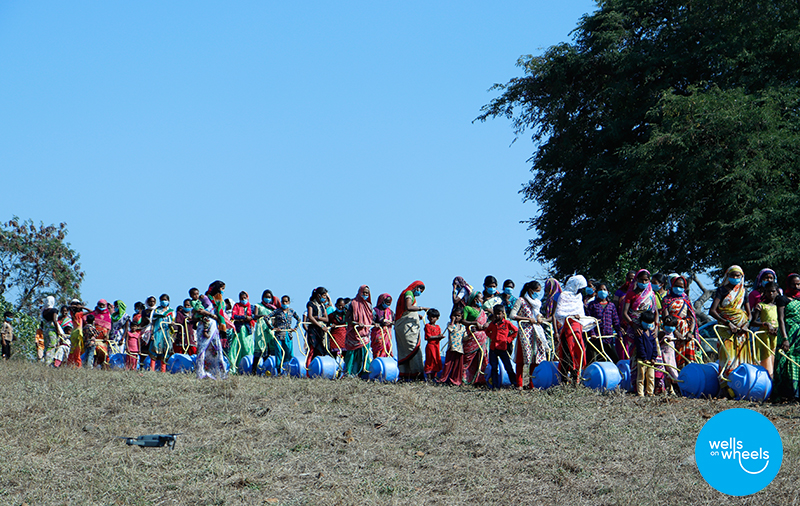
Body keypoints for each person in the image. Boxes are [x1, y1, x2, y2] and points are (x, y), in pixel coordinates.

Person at [709, 265, 754, 385]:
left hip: (741, 332)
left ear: (741, 277)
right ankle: (725, 387)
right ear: (727, 276)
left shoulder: (743, 292)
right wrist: (728, 323)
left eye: (737, 275)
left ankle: (739, 386)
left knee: (740, 358)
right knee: (727, 357)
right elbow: (712, 311)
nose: (735, 277)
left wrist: (746, 324)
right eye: (732, 275)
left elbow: (750, 314)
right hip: (726, 330)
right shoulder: (722, 290)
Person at [510, 280, 549, 388]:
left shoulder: (537, 303)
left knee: (536, 358)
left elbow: (538, 314)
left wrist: (539, 318)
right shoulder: (521, 300)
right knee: (521, 359)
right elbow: (512, 315)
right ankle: (519, 384)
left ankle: (532, 384)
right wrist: (527, 319)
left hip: (536, 333)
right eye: (536, 291)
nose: (538, 293)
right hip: (524, 333)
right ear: (530, 290)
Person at [555, 275, 588, 384]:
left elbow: (581, 313)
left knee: (578, 352)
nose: (581, 290)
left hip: (578, 329)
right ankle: (564, 380)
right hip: (568, 329)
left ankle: (576, 378)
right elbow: (559, 313)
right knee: (568, 354)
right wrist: (573, 315)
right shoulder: (564, 296)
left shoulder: (579, 297)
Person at [661, 275, 699, 368]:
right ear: (672, 286)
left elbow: (692, 317)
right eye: (676, 286)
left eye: (681, 287)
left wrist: (690, 332)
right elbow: (666, 318)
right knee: (675, 357)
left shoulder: (686, 300)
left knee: (689, 360)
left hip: (686, 332)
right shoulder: (666, 300)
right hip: (672, 331)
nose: (678, 288)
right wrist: (675, 332)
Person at [621, 270, 659, 360]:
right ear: (637, 280)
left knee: (651, 352)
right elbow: (624, 313)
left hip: (649, 326)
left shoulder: (651, 295)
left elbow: (656, 312)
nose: (643, 282)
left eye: (646, 280)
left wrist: (656, 327)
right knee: (636, 353)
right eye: (641, 280)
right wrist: (634, 326)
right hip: (635, 327)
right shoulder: (630, 294)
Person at [394, 281, 428, 380]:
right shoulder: (408, 293)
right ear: (416, 287)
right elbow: (408, 307)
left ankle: (406, 374)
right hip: (406, 327)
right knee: (413, 348)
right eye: (420, 289)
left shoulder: (408, 294)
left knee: (404, 350)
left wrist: (417, 316)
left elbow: (406, 311)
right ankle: (416, 374)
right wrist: (422, 308)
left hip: (403, 326)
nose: (420, 292)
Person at [774, 274, 800, 400]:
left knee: (797, 362)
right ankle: (786, 393)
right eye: (793, 284)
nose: (796, 286)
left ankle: (797, 393)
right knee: (787, 361)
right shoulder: (782, 299)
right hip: (788, 333)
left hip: (799, 336)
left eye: (798, 284)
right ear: (788, 284)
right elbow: (781, 319)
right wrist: (785, 338)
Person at [585, 283, 621, 363]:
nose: (602, 291)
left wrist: (619, 333)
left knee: (613, 358)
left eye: (604, 290)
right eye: (600, 290)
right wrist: (592, 333)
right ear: (597, 292)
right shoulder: (592, 305)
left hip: (608, 337)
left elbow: (616, 320)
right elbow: (588, 320)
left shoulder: (611, 305)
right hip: (596, 337)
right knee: (595, 359)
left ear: (608, 292)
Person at [485, 305, 518, 389]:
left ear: (503, 314)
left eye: (499, 314)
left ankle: (514, 384)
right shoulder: (492, 324)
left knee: (508, 367)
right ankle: (495, 386)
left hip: (503, 349)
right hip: (493, 349)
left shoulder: (507, 323)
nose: (497, 316)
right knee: (494, 368)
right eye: (495, 314)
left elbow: (516, 331)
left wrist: (509, 339)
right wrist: (491, 337)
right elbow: (487, 331)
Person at [195, 293, 227, 380]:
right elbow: (197, 312)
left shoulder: (220, 303)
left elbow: (221, 316)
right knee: (202, 349)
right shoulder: (204, 298)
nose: (222, 292)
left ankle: (218, 373)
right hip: (205, 324)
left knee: (216, 349)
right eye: (221, 289)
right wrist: (210, 315)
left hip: (213, 326)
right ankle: (202, 372)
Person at [344, 286, 373, 377]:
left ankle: (364, 374)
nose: (365, 295)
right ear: (359, 292)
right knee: (351, 355)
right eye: (363, 292)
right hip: (354, 334)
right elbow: (347, 318)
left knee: (365, 355)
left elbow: (372, 318)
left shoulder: (369, 306)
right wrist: (355, 323)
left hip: (365, 335)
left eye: (367, 293)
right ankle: (348, 373)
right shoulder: (352, 303)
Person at [751, 282, 779, 377]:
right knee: (765, 358)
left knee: (775, 357)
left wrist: (777, 329)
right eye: (768, 291)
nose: (771, 293)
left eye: (773, 291)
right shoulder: (761, 306)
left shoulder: (779, 306)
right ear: (765, 292)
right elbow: (753, 322)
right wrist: (765, 324)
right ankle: (766, 378)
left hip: (776, 336)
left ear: (777, 292)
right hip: (764, 336)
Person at [462, 291, 489, 385]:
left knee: (482, 357)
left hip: (483, 336)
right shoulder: (467, 308)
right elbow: (463, 320)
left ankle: (481, 379)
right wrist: (473, 323)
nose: (482, 300)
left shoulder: (482, 310)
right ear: (475, 299)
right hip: (472, 336)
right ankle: (464, 379)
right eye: (481, 298)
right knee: (468, 357)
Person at [268, 295, 301, 371]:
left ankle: (289, 369)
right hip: (279, 335)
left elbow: (299, 319)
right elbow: (266, 318)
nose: (284, 303)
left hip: (288, 335)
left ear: (289, 302)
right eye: (283, 301)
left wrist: (295, 328)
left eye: (286, 301)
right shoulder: (277, 311)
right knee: (279, 352)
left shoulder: (291, 311)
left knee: (289, 352)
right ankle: (279, 371)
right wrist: (273, 328)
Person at [252, 290, 280, 374]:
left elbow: (275, 318)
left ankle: (267, 369)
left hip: (270, 329)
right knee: (260, 348)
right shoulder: (258, 306)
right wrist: (262, 316)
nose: (267, 299)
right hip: (261, 328)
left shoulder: (273, 308)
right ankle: (253, 370)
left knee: (270, 348)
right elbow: (254, 316)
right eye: (266, 297)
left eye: (269, 297)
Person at [439, 312, 467, 386]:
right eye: (455, 315)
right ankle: (443, 379)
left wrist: (470, 334)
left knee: (458, 366)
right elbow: (450, 329)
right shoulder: (450, 325)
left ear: (461, 317)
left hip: (460, 349)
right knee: (448, 364)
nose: (456, 317)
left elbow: (465, 337)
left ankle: (455, 380)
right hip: (452, 347)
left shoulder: (463, 327)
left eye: (458, 316)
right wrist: (452, 321)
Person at [230, 291, 255, 374]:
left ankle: (248, 368)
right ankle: (233, 369)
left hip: (247, 330)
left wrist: (250, 318)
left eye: (245, 298)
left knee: (247, 348)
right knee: (235, 349)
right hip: (238, 330)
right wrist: (244, 317)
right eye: (241, 298)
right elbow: (234, 316)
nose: (243, 300)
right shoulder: (236, 306)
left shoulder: (251, 307)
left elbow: (254, 316)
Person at [634, 310, 658, 396]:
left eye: (650, 322)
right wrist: (644, 358)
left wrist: (653, 358)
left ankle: (650, 392)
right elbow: (640, 347)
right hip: (642, 359)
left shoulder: (652, 334)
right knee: (641, 377)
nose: (648, 324)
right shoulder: (640, 333)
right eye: (646, 322)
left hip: (651, 360)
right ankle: (640, 393)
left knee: (651, 377)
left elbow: (654, 347)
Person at [306, 287, 331, 368]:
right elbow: (310, 316)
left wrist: (318, 317)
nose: (325, 298)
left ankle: (319, 369)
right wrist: (320, 326)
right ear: (318, 295)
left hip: (321, 330)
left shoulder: (323, 306)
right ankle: (308, 370)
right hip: (314, 330)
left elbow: (326, 319)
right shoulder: (311, 304)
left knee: (321, 350)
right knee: (312, 350)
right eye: (324, 295)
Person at [659, 314, 680, 394]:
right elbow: (659, 341)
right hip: (664, 354)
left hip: (671, 356)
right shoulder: (663, 333)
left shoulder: (673, 334)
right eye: (668, 325)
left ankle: (675, 388)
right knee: (667, 371)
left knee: (672, 370)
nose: (670, 327)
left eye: (672, 326)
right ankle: (669, 388)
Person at [92, 299, 113, 369]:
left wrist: (107, 335)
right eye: (100, 305)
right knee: (94, 351)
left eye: (103, 305)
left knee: (103, 351)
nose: (101, 306)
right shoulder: (94, 313)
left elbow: (109, 327)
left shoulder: (108, 315)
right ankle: (94, 366)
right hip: (95, 336)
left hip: (103, 337)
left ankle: (104, 366)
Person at [371, 293, 394, 359]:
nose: (388, 304)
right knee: (379, 346)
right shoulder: (375, 310)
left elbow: (395, 319)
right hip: (378, 333)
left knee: (388, 348)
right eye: (387, 302)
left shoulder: (390, 312)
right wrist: (376, 323)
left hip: (387, 334)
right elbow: (370, 320)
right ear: (382, 301)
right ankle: (377, 361)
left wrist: (391, 322)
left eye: (389, 303)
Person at [423, 308, 443, 381]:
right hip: (431, 346)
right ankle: (428, 378)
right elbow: (428, 337)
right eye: (430, 316)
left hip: (436, 346)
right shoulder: (427, 326)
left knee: (436, 360)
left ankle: (434, 377)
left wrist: (440, 337)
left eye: (433, 317)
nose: (431, 318)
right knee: (430, 361)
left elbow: (438, 336)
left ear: (437, 318)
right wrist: (438, 336)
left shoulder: (438, 327)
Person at [41, 296, 60, 364]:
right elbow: (55, 320)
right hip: (52, 331)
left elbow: (42, 323)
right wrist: (58, 331)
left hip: (45, 331)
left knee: (46, 346)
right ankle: (48, 362)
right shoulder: (54, 310)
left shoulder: (43, 312)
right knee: (51, 346)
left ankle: (44, 360)